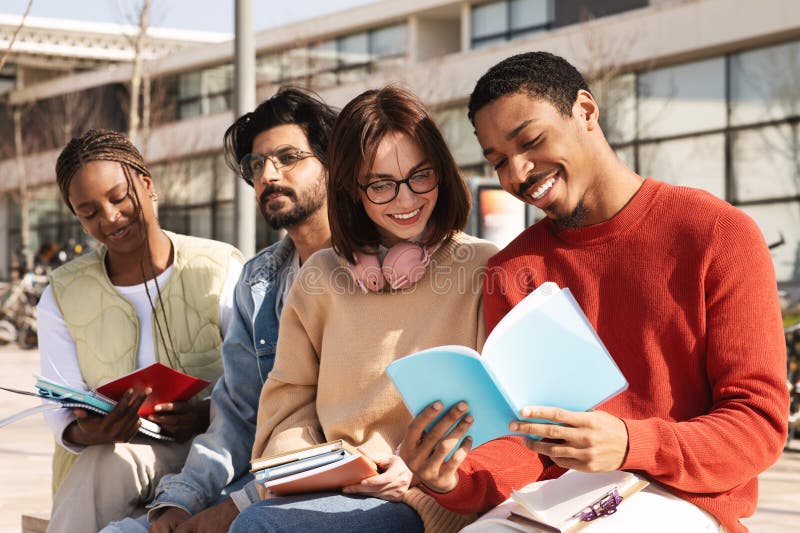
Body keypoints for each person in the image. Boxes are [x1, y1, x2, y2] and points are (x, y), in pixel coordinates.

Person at [398, 51, 789, 533]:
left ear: (585, 111)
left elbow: (757, 425)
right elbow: (525, 442)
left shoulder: (718, 234)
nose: (517, 174)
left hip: (684, 502)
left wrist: (630, 444)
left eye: (531, 141)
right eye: (498, 160)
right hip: (554, 503)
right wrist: (451, 477)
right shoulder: (512, 269)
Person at [228, 85, 498, 533]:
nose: (406, 200)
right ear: (352, 190)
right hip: (339, 487)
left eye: (420, 176)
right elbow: (287, 408)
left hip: (430, 494)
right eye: (381, 185)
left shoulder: (483, 267)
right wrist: (319, 467)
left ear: (442, 174)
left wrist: (418, 474)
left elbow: (495, 414)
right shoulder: (320, 277)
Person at [104, 87, 338, 533]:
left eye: (288, 157)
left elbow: (346, 431)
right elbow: (236, 415)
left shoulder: (370, 271)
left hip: (320, 492)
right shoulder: (259, 282)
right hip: (255, 483)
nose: (268, 174)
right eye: (257, 164)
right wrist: (180, 501)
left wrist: (239, 507)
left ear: (331, 163)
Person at [39, 129, 244, 533]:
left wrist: (203, 414)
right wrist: (88, 430)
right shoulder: (63, 293)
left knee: (108, 465)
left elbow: (254, 381)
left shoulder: (218, 268)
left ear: (147, 185)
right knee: (106, 460)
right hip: (106, 461)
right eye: (90, 212)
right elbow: (57, 406)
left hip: (207, 453)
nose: (110, 218)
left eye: (118, 197)